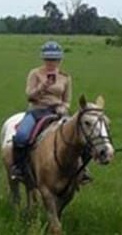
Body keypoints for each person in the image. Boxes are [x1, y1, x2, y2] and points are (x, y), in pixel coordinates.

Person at [10, 40, 74, 182]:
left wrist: (63, 108)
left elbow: (67, 100)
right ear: (44, 59)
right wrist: (43, 86)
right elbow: (29, 95)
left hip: (57, 112)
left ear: (60, 60)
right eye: (49, 59)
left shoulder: (65, 77)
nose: (52, 63)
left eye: (55, 59)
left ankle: (81, 170)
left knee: (78, 135)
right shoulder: (35, 73)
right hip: (37, 110)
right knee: (21, 135)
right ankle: (19, 167)